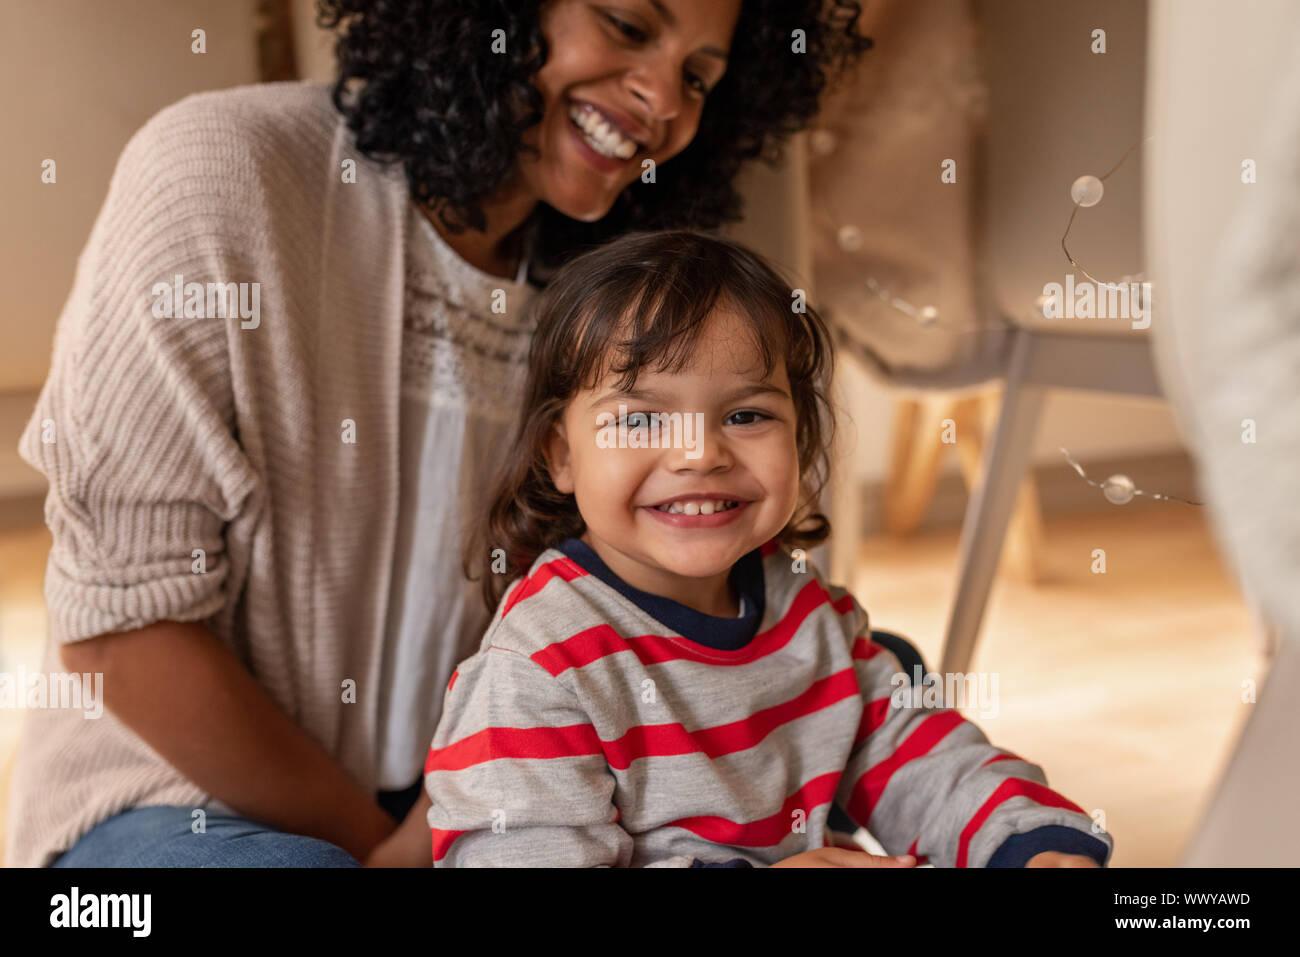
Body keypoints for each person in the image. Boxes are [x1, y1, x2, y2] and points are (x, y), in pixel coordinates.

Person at [8, 0, 872, 868]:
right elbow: (120, 631)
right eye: (626, 24)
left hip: (525, 776)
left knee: (864, 669)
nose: (661, 101)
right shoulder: (219, 169)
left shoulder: (638, 280)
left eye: (698, 77)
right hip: (182, 800)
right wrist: (389, 854)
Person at [418, 229, 1114, 867]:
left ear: (801, 436)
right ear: (561, 455)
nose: (699, 453)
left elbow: (917, 756)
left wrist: (1026, 840)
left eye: (746, 414)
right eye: (639, 418)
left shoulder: (807, 611)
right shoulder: (532, 674)